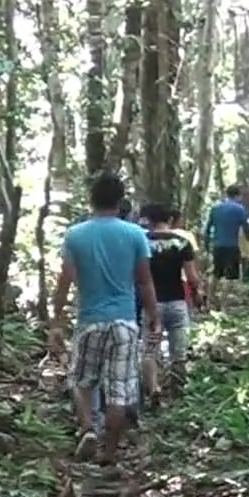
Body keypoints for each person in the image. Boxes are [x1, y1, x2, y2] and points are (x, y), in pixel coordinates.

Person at [50, 171, 160, 465]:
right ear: (120, 201)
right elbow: (145, 282)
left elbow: (64, 281)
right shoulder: (135, 234)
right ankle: (109, 454)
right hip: (124, 322)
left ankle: (88, 428)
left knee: (82, 380)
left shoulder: (75, 235)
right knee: (119, 391)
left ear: (91, 199)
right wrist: (154, 317)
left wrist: (56, 321)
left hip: (90, 320)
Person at [138, 202, 202, 401]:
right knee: (179, 352)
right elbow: (192, 276)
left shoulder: (142, 242)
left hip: (151, 304)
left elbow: (138, 276)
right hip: (177, 302)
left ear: (149, 220)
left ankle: (153, 389)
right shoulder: (182, 242)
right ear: (170, 220)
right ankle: (178, 393)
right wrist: (198, 294)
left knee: (150, 349)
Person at [204, 185, 249, 284]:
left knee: (216, 273)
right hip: (232, 247)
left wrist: (207, 244)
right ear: (238, 196)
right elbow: (246, 228)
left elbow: (207, 229)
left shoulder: (215, 208)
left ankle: (210, 297)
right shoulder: (239, 209)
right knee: (231, 276)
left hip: (217, 246)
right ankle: (226, 299)